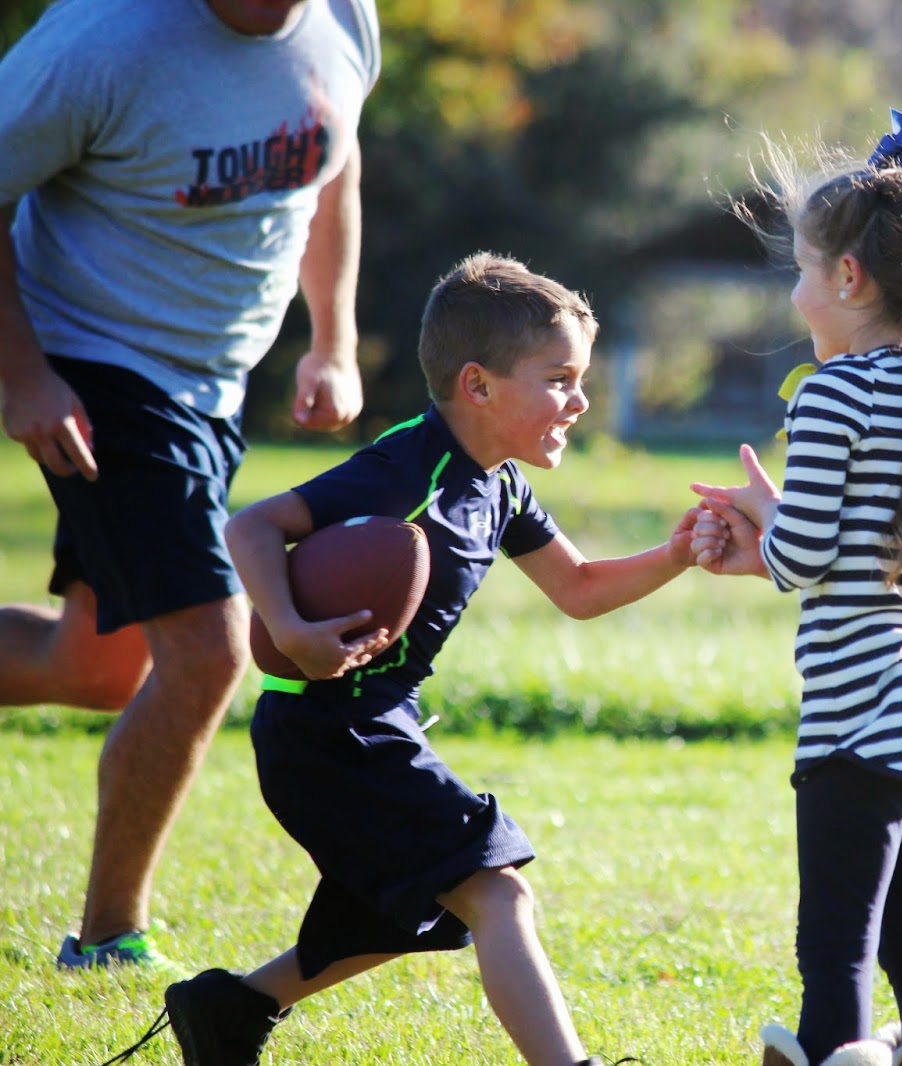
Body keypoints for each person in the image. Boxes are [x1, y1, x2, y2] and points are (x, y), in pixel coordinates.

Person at [110, 252, 682, 1066]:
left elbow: (581, 586)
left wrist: (680, 553)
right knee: (495, 889)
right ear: (478, 386)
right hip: (327, 730)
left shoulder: (501, 484)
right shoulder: (402, 469)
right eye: (559, 378)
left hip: (372, 724)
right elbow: (251, 527)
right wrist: (290, 630)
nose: (580, 400)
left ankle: (232, 1008)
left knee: (408, 907)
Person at [0, 0, 380, 969]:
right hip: (97, 361)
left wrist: (331, 339)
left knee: (93, 668)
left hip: (212, 381)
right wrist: (25, 374)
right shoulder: (102, 41)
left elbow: (335, 163)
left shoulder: (345, 20)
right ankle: (106, 937)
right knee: (209, 651)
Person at [689, 111, 902, 1066]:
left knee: (835, 942)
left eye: (798, 270)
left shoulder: (832, 391)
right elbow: (860, 547)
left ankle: (833, 1053)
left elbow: (803, 556)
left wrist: (763, 517)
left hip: (862, 706)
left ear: (848, 278)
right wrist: (772, 536)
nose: (794, 293)